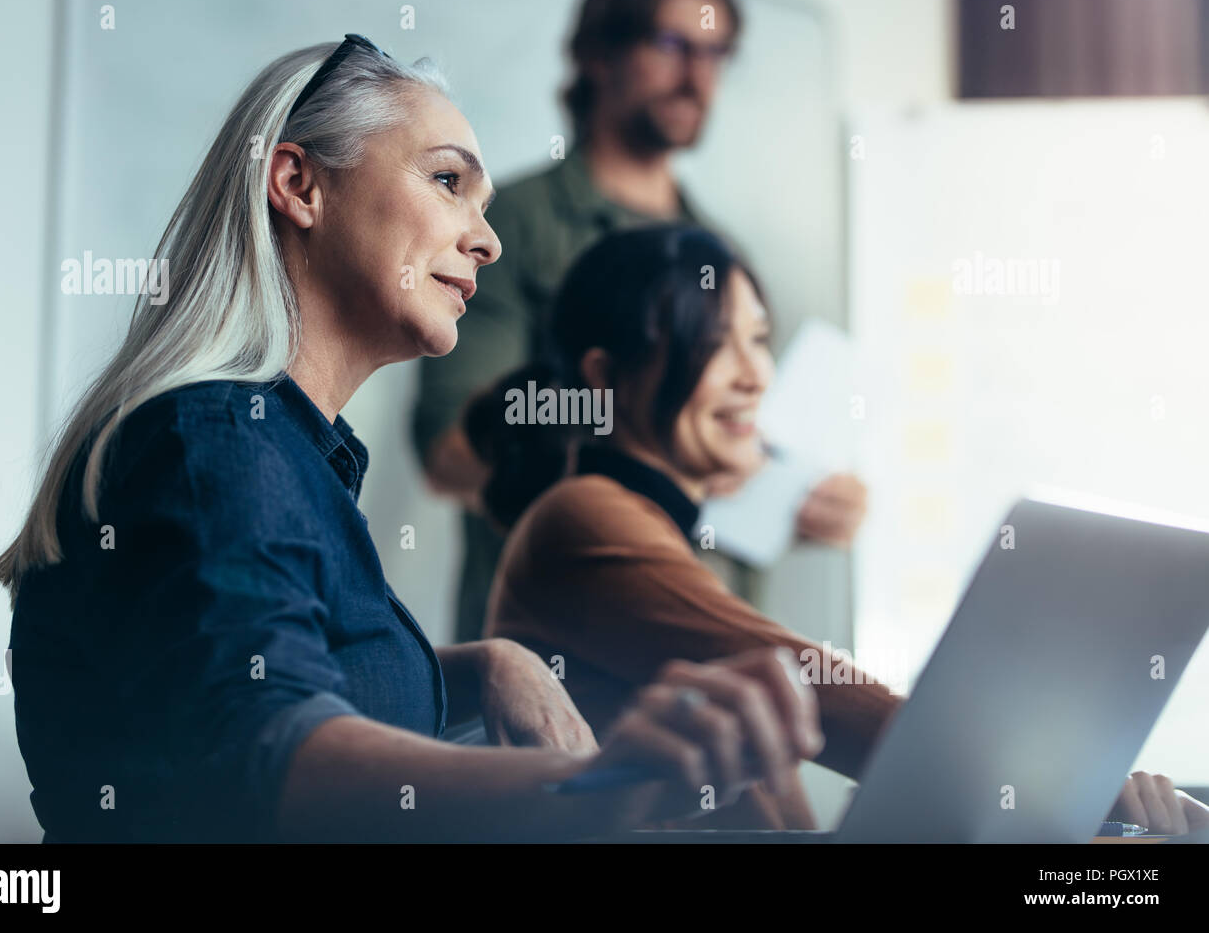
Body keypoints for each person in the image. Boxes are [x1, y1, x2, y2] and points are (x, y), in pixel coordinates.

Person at [0, 36, 822, 842]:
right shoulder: (216, 445)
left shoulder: (286, 455)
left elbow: (308, 684)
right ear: (299, 186)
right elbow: (269, 755)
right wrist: (606, 789)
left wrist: (482, 666)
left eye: (484, 207)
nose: (486, 240)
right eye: (448, 181)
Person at [468, 223, 1209, 834]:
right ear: (604, 376)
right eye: (713, 342)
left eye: (759, 340)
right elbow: (810, 690)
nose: (755, 375)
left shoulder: (651, 528)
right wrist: (1071, 788)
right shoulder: (585, 516)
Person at [413, 0, 868, 644]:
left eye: (716, 53)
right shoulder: (509, 224)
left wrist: (796, 494)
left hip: (715, 640)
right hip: (558, 658)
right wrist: (651, 435)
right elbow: (450, 450)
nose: (697, 74)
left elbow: (733, 449)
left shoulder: (720, 252)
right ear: (599, 55)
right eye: (672, 44)